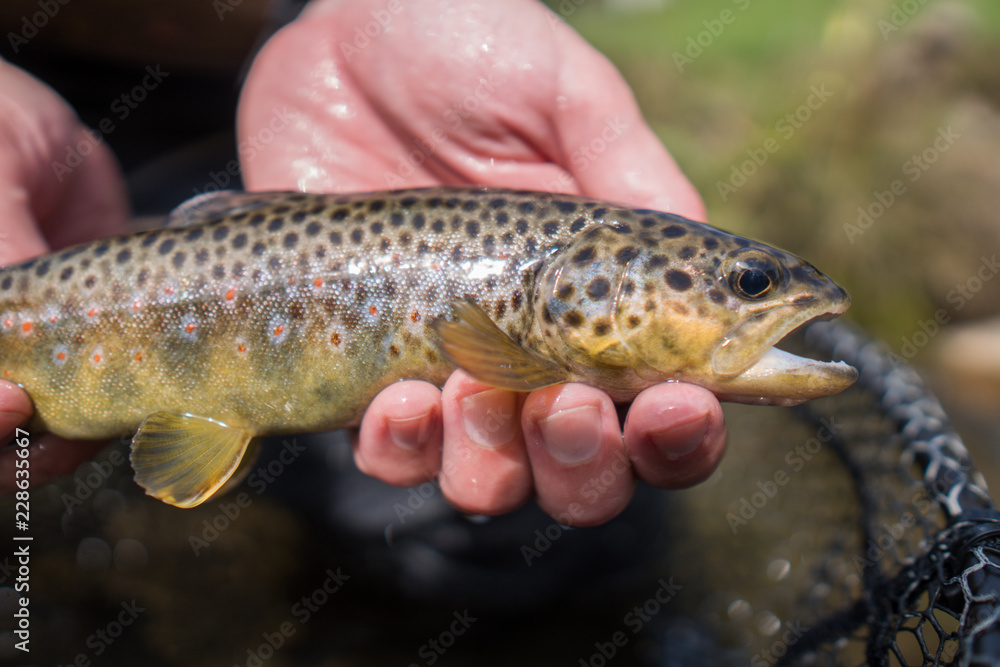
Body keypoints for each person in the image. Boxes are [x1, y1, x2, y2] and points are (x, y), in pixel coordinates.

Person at [0, 0, 726, 526]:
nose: (751, 297)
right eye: (747, 285)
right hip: (44, 72)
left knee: (509, 523)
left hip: (280, 40)